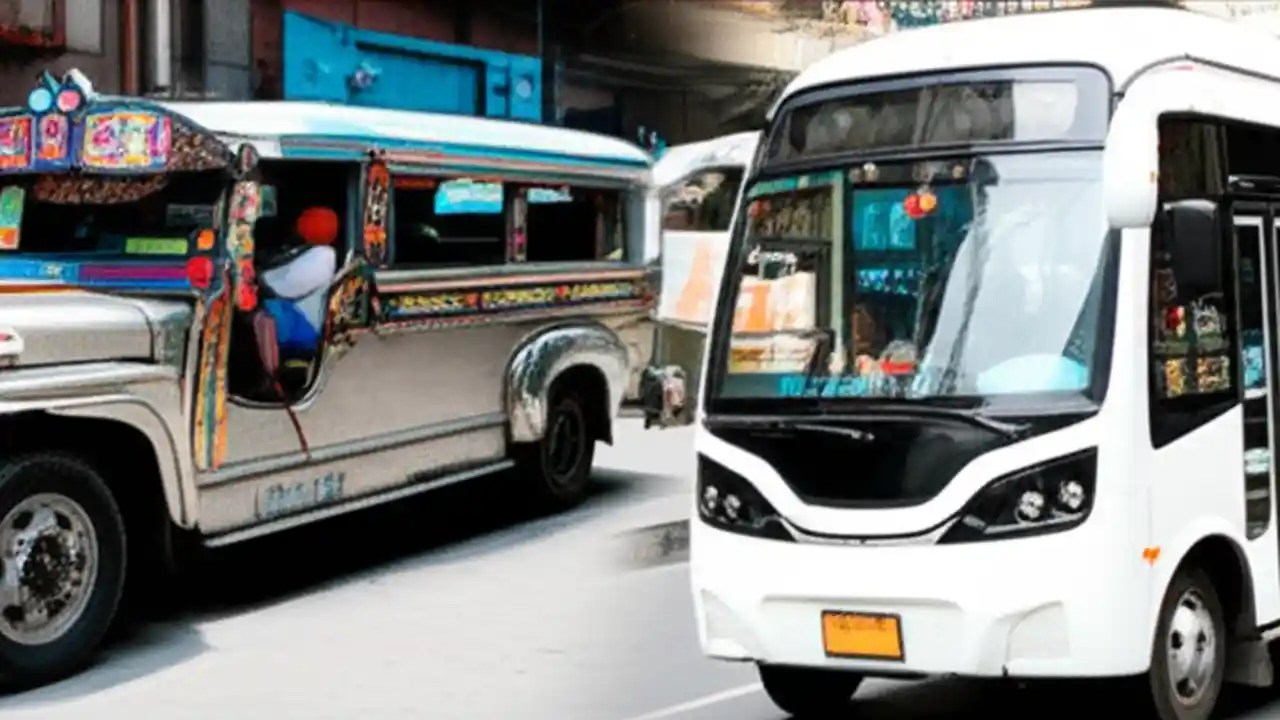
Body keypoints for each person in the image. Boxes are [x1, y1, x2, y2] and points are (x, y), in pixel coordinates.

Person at [260, 207, 339, 356]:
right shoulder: (311, 251)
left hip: (303, 327)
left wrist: (261, 278)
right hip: (296, 322)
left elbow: (289, 285)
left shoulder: (323, 256)